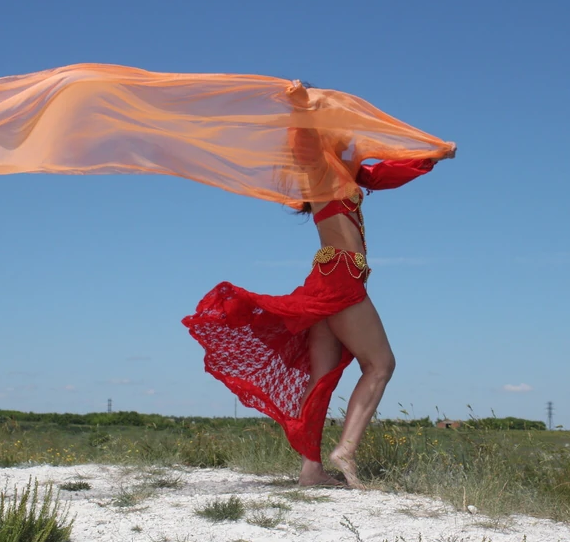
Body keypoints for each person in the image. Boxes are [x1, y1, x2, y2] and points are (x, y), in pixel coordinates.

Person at [182, 127, 456, 488]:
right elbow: (306, 143)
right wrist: (301, 103)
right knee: (380, 364)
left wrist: (431, 156)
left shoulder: (346, 175)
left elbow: (383, 175)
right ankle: (345, 451)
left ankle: (310, 470)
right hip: (340, 278)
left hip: (330, 275)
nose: (350, 136)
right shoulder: (320, 170)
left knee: (322, 375)